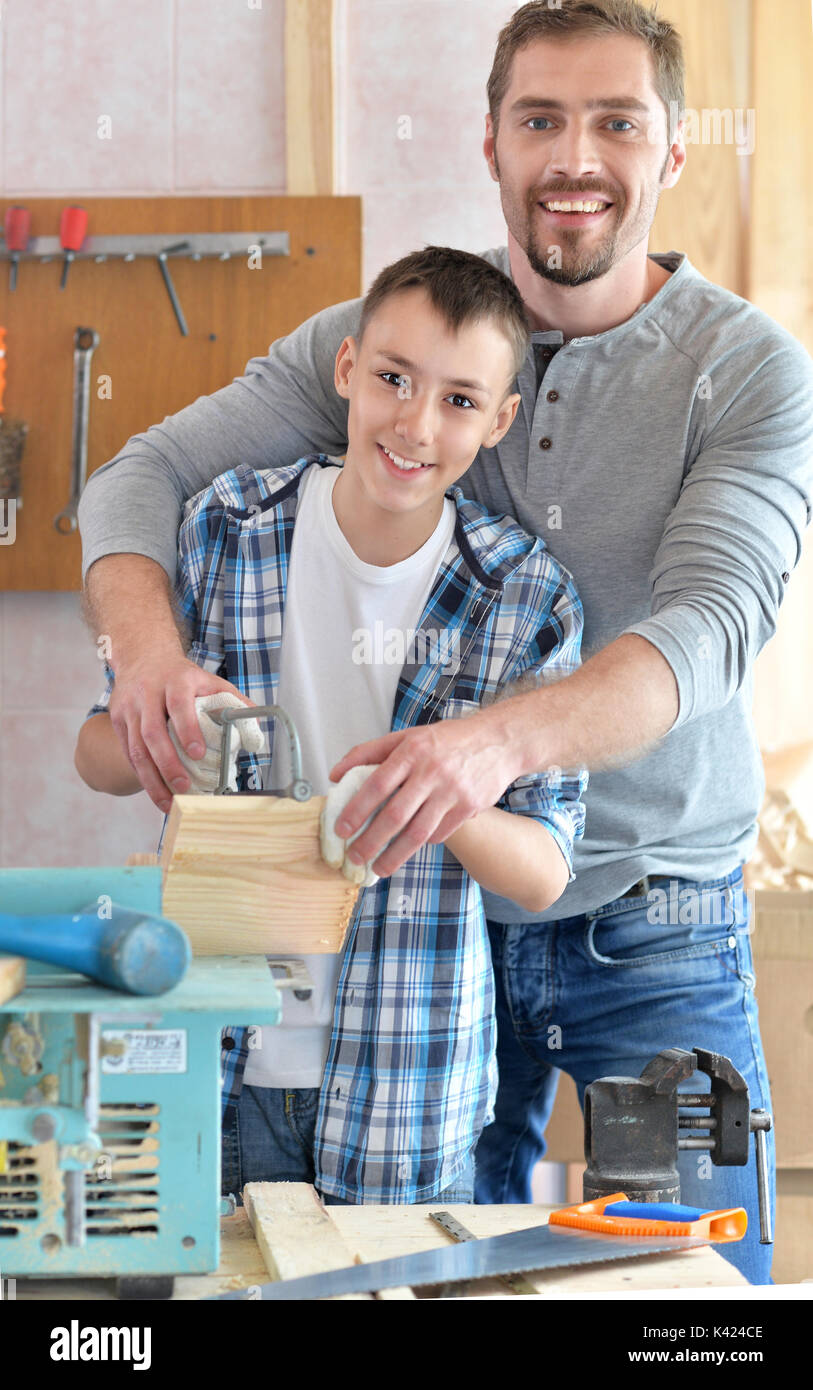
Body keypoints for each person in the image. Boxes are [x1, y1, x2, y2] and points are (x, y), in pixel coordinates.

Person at [77, 0, 813, 1279]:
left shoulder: (749, 372)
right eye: (541, 119)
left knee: (695, 1294)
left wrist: (481, 753)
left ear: (674, 153)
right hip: (429, 949)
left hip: (655, 922)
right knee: (442, 1277)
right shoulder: (398, 336)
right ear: (491, 141)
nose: (573, 156)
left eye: (616, 123)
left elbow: (708, 627)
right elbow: (141, 477)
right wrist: (147, 661)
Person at [75, 246, 587, 1205]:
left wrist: (444, 794)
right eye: (393, 378)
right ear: (346, 368)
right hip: (206, 1065)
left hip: (411, 1089)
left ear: (500, 420)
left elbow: (548, 869)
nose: (415, 423)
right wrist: (168, 735)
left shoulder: (524, 596)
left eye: (459, 400)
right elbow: (95, 755)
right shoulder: (224, 527)